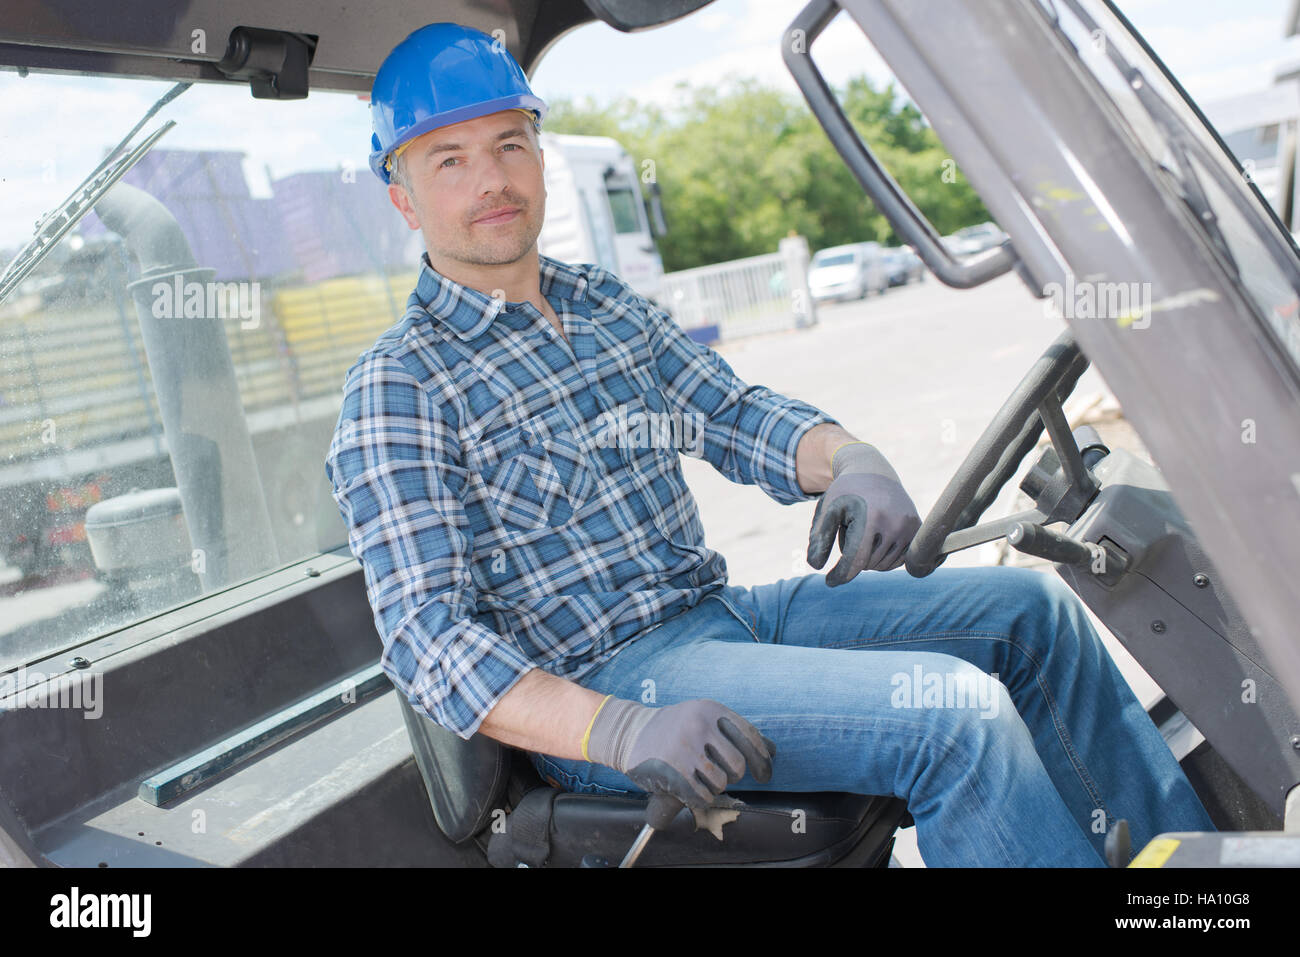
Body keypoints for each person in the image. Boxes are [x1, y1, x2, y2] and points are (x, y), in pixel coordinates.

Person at [326, 21, 1215, 866]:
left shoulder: (603, 306)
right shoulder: (400, 387)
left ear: (538, 156)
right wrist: (621, 729)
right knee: (954, 715)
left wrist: (853, 460)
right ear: (402, 195)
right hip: (612, 689)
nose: (492, 180)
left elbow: (737, 415)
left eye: (509, 145)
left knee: (1034, 617)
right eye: (450, 159)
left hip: (731, 617)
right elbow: (429, 639)